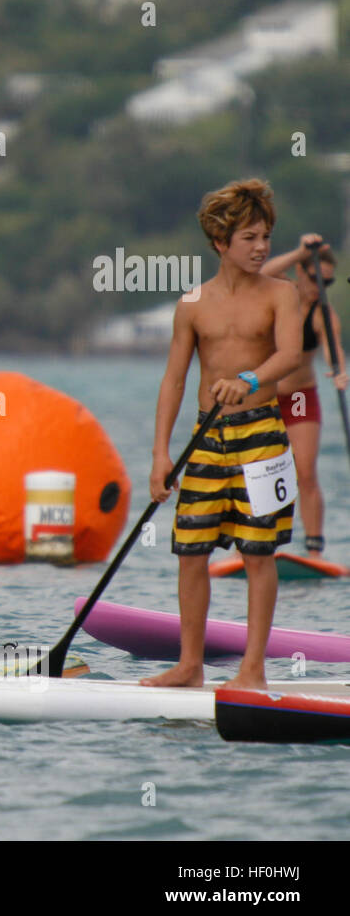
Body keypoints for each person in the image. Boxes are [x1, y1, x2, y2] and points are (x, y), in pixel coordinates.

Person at [143, 179, 303, 690]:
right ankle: (190, 666)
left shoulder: (282, 294)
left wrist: (250, 380)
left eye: (265, 236)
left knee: (258, 554)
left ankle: (251, 671)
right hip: (206, 440)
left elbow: (290, 356)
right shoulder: (193, 303)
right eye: (249, 238)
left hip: (262, 438)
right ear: (220, 242)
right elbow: (174, 379)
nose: (261, 248)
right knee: (191, 551)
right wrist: (159, 455)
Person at [260, 233, 348, 557]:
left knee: (306, 472)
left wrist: (339, 371)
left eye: (328, 281)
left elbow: (333, 350)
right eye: (314, 279)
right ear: (300, 272)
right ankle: (253, 545)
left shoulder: (324, 315)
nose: (320, 288)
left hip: (298, 397)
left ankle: (314, 549)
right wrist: (299, 251)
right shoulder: (279, 291)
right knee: (262, 470)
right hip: (267, 399)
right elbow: (263, 272)